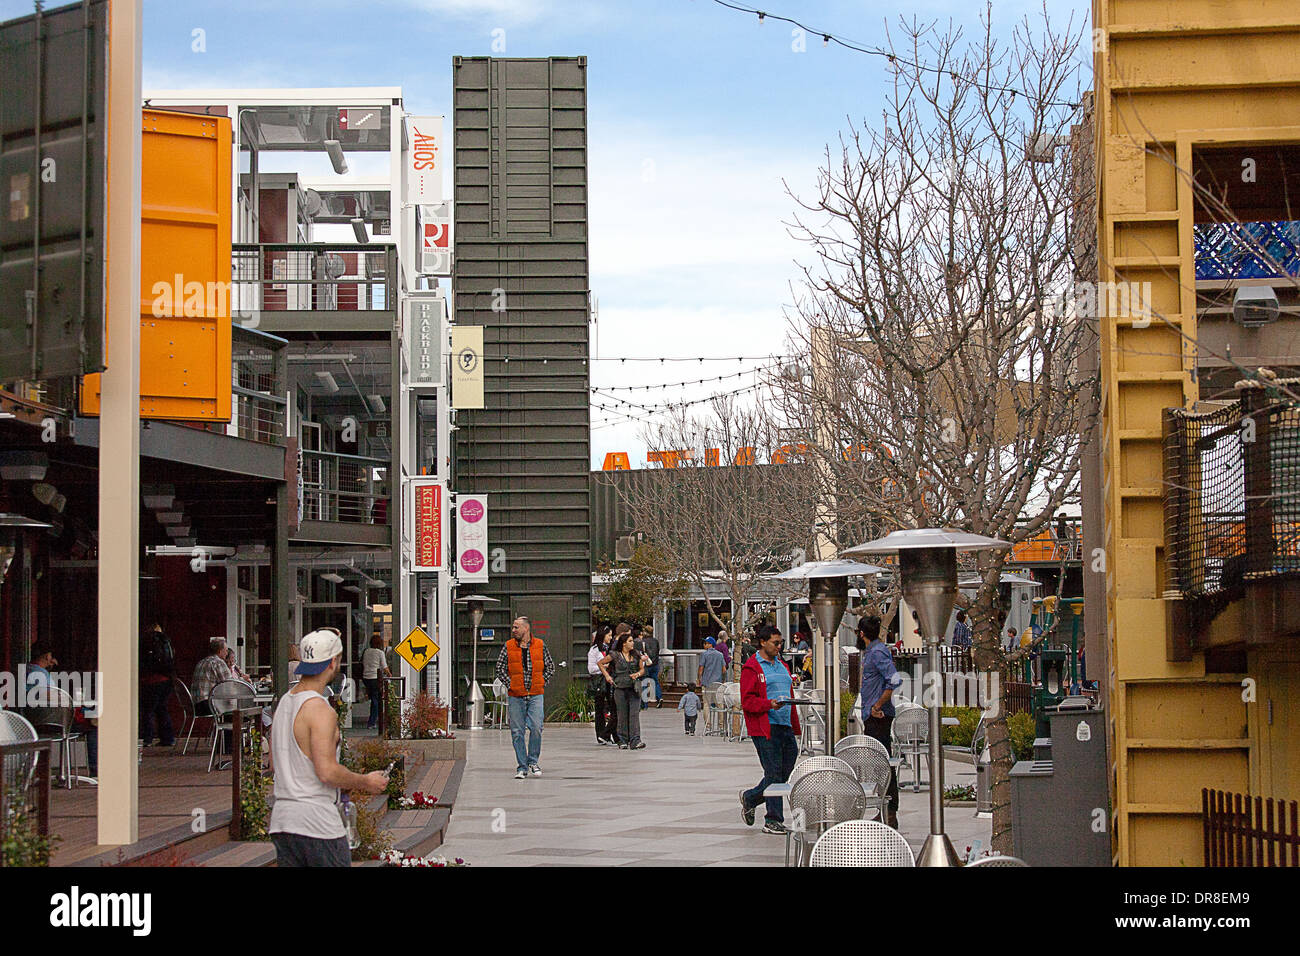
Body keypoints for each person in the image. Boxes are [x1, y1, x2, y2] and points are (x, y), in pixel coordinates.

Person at [268, 628, 388, 867]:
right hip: (317, 823)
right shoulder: (321, 710)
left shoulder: (284, 702)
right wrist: (365, 781)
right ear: (333, 662)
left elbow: (274, 764)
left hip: (283, 821)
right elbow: (327, 771)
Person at [739, 625, 801, 835]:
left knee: (784, 772)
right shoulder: (752, 668)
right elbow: (747, 701)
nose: (779, 646)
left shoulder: (782, 665)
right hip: (766, 727)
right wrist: (769, 704)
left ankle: (752, 797)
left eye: (781, 642)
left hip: (785, 725)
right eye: (776, 642)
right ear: (763, 642)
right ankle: (773, 819)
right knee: (773, 772)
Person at [494, 616, 555, 778]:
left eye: (516, 627)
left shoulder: (540, 645)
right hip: (516, 695)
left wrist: (541, 682)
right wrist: (511, 683)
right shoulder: (508, 646)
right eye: (513, 627)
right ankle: (522, 766)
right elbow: (499, 668)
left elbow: (550, 667)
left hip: (535, 694)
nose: (513, 630)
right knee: (517, 731)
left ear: (526, 629)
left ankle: (533, 761)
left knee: (536, 728)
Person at [859, 615, 903, 828]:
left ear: (861, 633)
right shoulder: (873, 651)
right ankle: (886, 809)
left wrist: (877, 705)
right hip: (872, 714)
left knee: (883, 765)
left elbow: (894, 680)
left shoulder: (876, 652)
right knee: (879, 765)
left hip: (878, 716)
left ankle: (890, 810)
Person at [599, 630, 646, 749]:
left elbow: (642, 669)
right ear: (623, 643)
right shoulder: (615, 655)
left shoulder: (636, 654)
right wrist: (607, 676)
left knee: (634, 714)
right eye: (630, 641)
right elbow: (600, 663)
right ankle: (622, 740)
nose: (632, 643)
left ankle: (635, 740)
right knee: (622, 714)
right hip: (620, 687)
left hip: (634, 687)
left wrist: (638, 674)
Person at [139, 624, 176, 748]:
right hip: (166, 679)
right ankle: (168, 738)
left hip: (150, 680)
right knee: (162, 709)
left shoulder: (146, 641)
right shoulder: (165, 641)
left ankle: (147, 738)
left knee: (148, 710)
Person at [588, 625, 616, 745]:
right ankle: (601, 734)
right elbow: (591, 668)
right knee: (600, 709)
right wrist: (603, 667)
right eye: (609, 635)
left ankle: (610, 734)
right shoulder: (594, 650)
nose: (610, 637)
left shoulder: (610, 649)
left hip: (610, 681)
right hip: (600, 682)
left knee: (613, 708)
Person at [191, 638, 232, 718]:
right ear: (220, 651)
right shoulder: (218, 662)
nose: (227, 653)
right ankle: (231, 729)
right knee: (237, 711)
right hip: (210, 705)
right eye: (226, 650)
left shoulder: (201, 662)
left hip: (196, 705)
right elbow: (230, 685)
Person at [361, 635, 391, 730]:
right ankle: (372, 722)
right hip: (375, 678)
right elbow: (384, 667)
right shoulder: (380, 653)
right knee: (376, 700)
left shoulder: (366, 651)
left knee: (373, 698)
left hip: (366, 677)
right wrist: (390, 674)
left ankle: (373, 720)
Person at [635, 625, 662, 708]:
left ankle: (644, 703)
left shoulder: (642, 641)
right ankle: (659, 697)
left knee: (644, 682)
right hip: (655, 663)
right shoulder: (655, 641)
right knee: (656, 681)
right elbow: (658, 651)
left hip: (646, 664)